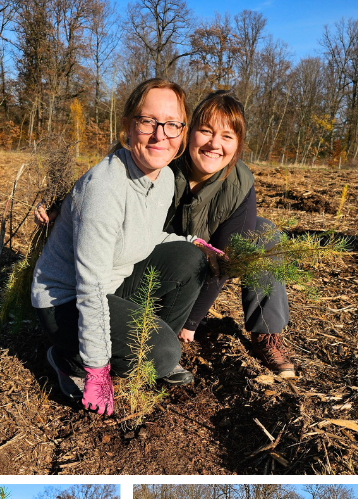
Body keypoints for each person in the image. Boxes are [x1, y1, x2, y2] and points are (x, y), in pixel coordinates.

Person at [29, 77, 214, 417]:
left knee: (191, 260)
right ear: (128, 127)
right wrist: (98, 371)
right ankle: (71, 359)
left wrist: (193, 242)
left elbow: (142, 236)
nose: (161, 135)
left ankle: (145, 352)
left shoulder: (166, 180)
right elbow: (90, 287)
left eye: (172, 124)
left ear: (183, 133)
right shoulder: (104, 187)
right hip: (66, 302)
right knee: (163, 353)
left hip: (112, 285)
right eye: (148, 122)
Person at [167, 90, 295, 377]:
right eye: (205, 131)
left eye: (227, 136)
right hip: (162, 259)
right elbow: (114, 183)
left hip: (211, 252)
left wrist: (191, 322)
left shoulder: (239, 180)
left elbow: (227, 260)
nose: (214, 144)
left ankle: (266, 332)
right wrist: (63, 207)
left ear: (237, 146)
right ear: (189, 133)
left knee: (264, 233)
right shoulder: (163, 161)